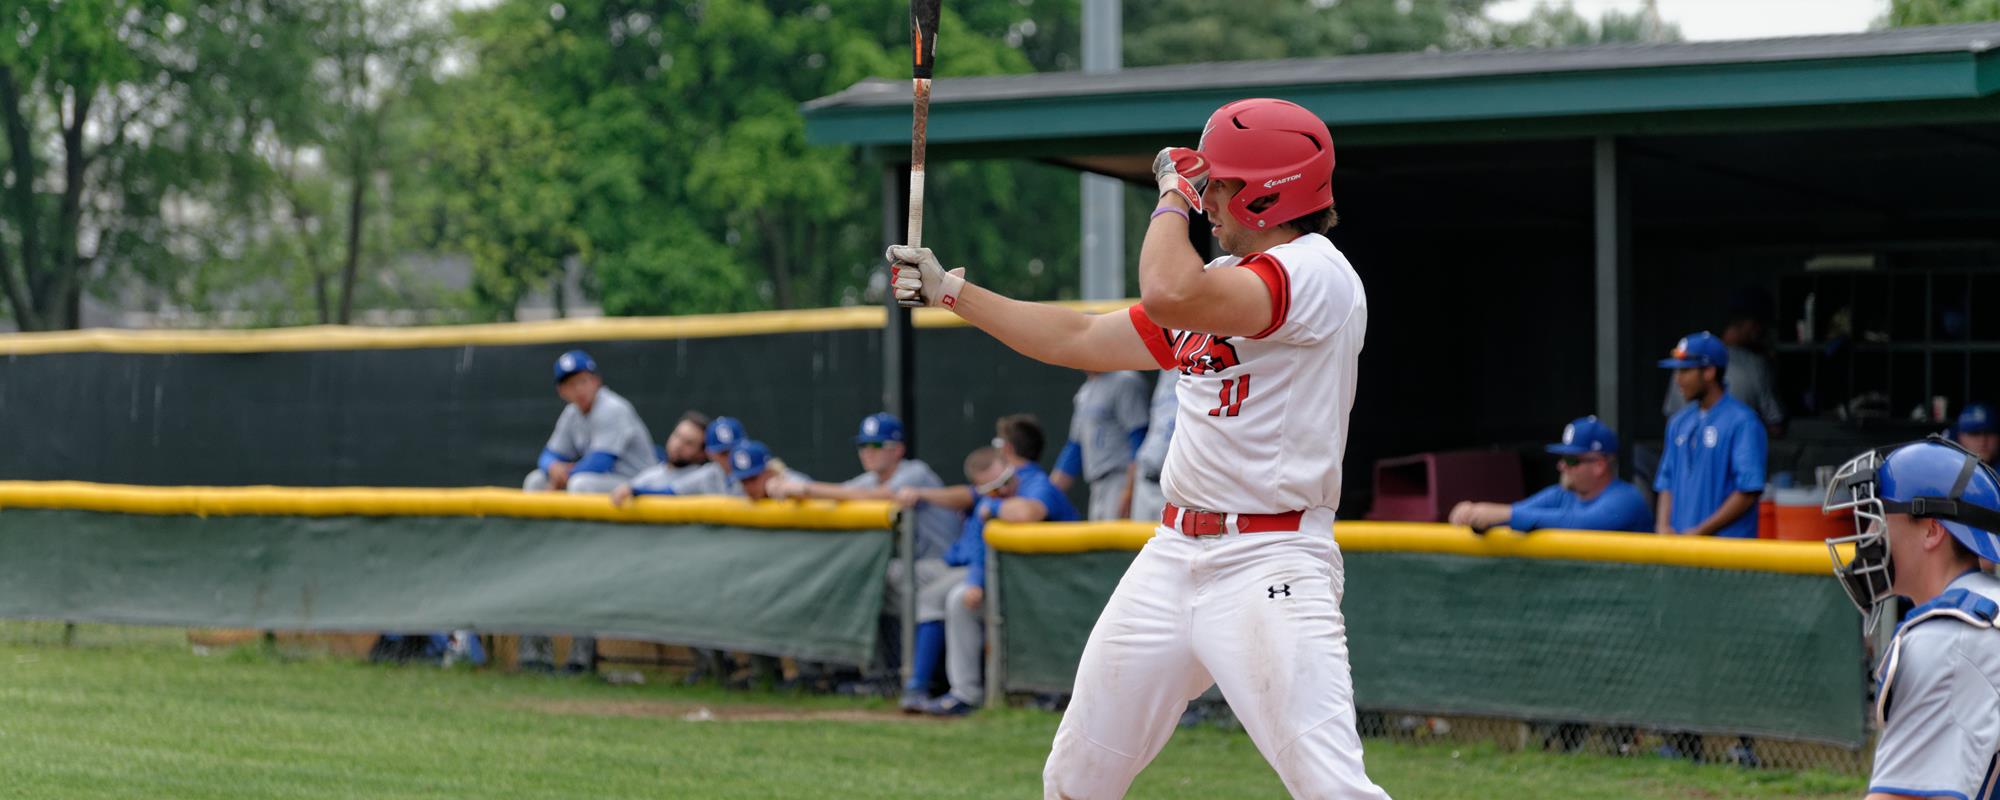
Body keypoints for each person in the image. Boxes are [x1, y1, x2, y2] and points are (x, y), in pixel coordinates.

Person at [889, 97, 1386, 796]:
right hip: (1173, 554)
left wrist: (1171, 198)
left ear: (1270, 194)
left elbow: (1165, 291)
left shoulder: (1315, 274)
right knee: (1075, 777)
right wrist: (951, 292)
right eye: (1205, 184)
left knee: (1330, 785)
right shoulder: (1218, 285)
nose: (1208, 197)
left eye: (1219, 183)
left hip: (1269, 559)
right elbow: (1081, 340)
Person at [1822, 436, 2000, 800]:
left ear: (1932, 531)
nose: (1870, 536)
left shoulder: (1947, 637)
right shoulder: (1986, 607)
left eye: (1881, 517)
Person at [764, 413, 964, 708]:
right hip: (914, 571)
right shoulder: (869, 479)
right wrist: (785, 480)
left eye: (876, 444)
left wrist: (805, 489)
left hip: (945, 567)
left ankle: (894, 675)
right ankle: (878, 674)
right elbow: (841, 493)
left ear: (897, 449)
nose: (868, 452)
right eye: (863, 445)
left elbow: (879, 496)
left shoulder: (914, 472)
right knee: (867, 580)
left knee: (877, 578)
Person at [894, 445, 1079, 717]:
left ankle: (947, 689)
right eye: (993, 489)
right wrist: (976, 581)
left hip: (1060, 583)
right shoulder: (987, 498)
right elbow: (984, 544)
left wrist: (991, 504)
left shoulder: (1034, 483)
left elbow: (1027, 513)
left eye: (1004, 482)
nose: (1002, 490)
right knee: (935, 589)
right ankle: (944, 688)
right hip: (1016, 582)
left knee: (953, 599)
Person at [1447, 416, 1651, 534]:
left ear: (1599, 465)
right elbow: (1517, 513)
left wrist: (1504, 514)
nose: (1562, 466)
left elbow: (1579, 524)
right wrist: (1474, 512)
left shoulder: (1626, 499)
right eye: (1562, 458)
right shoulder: (1560, 495)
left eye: (1572, 460)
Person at [1655, 332, 1767, 538]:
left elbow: (1748, 491)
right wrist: (1663, 528)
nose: (1678, 379)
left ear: (1709, 371)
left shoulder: (1743, 421)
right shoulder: (1678, 422)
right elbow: (1666, 481)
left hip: (1725, 555)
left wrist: (1700, 532)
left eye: (1685, 370)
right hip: (1681, 549)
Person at [522, 350, 660, 495]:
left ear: (596, 381)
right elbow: (548, 455)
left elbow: (600, 462)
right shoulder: (572, 413)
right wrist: (552, 467)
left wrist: (564, 475)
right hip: (607, 480)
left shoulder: (612, 407)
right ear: (561, 391)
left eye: (583, 381)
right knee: (535, 480)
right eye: (570, 384)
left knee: (580, 483)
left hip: (638, 482)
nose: (579, 389)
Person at [1662, 288, 1785, 435]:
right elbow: (1775, 427)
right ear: (1752, 325)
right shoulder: (1755, 365)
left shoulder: (1687, 365)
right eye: (1762, 326)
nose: (1679, 378)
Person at [1049, 371, 1150, 521]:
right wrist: (1047, 496)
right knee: (1102, 541)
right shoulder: (1085, 391)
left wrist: (1130, 489)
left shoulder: (1125, 380)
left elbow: (1139, 435)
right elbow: (1074, 449)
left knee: (1122, 541)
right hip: (1097, 484)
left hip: (1121, 478)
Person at [610, 416, 747, 506]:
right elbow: (670, 492)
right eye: (722, 453)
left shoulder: (752, 469)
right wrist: (635, 490)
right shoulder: (709, 474)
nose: (678, 445)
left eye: (689, 443)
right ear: (711, 454)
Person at [1129, 370, 1178, 523]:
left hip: (1174, 486)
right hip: (1146, 476)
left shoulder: (1204, 372)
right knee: (1137, 544)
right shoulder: (1167, 373)